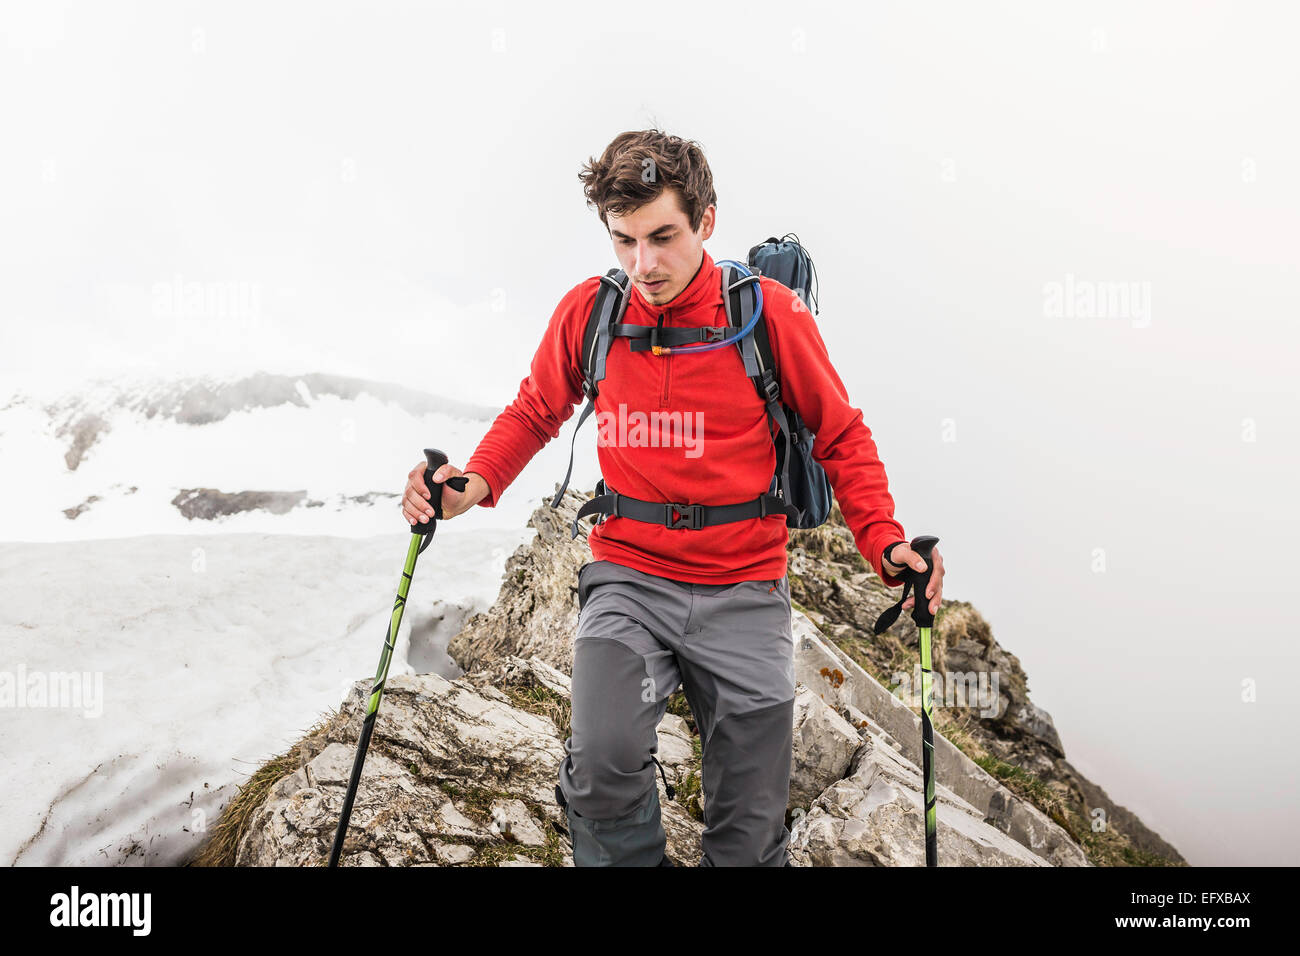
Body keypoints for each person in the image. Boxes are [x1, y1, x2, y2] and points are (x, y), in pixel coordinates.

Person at [399, 129, 945, 866]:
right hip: (629, 576)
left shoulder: (770, 316)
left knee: (750, 826)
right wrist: (475, 482)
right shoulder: (591, 314)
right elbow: (536, 409)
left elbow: (839, 435)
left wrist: (885, 541)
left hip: (745, 587)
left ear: (707, 221)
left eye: (662, 236)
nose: (642, 264)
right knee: (603, 764)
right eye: (624, 240)